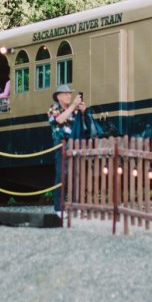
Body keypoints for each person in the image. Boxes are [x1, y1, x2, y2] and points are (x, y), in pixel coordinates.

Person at [48, 83, 86, 214]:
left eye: (70, 94)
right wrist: (73, 106)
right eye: (65, 94)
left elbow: (82, 125)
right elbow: (59, 120)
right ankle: (59, 208)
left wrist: (83, 112)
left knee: (76, 175)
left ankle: (76, 206)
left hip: (74, 144)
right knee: (61, 175)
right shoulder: (53, 108)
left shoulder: (74, 110)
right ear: (58, 97)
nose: (69, 96)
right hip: (61, 144)